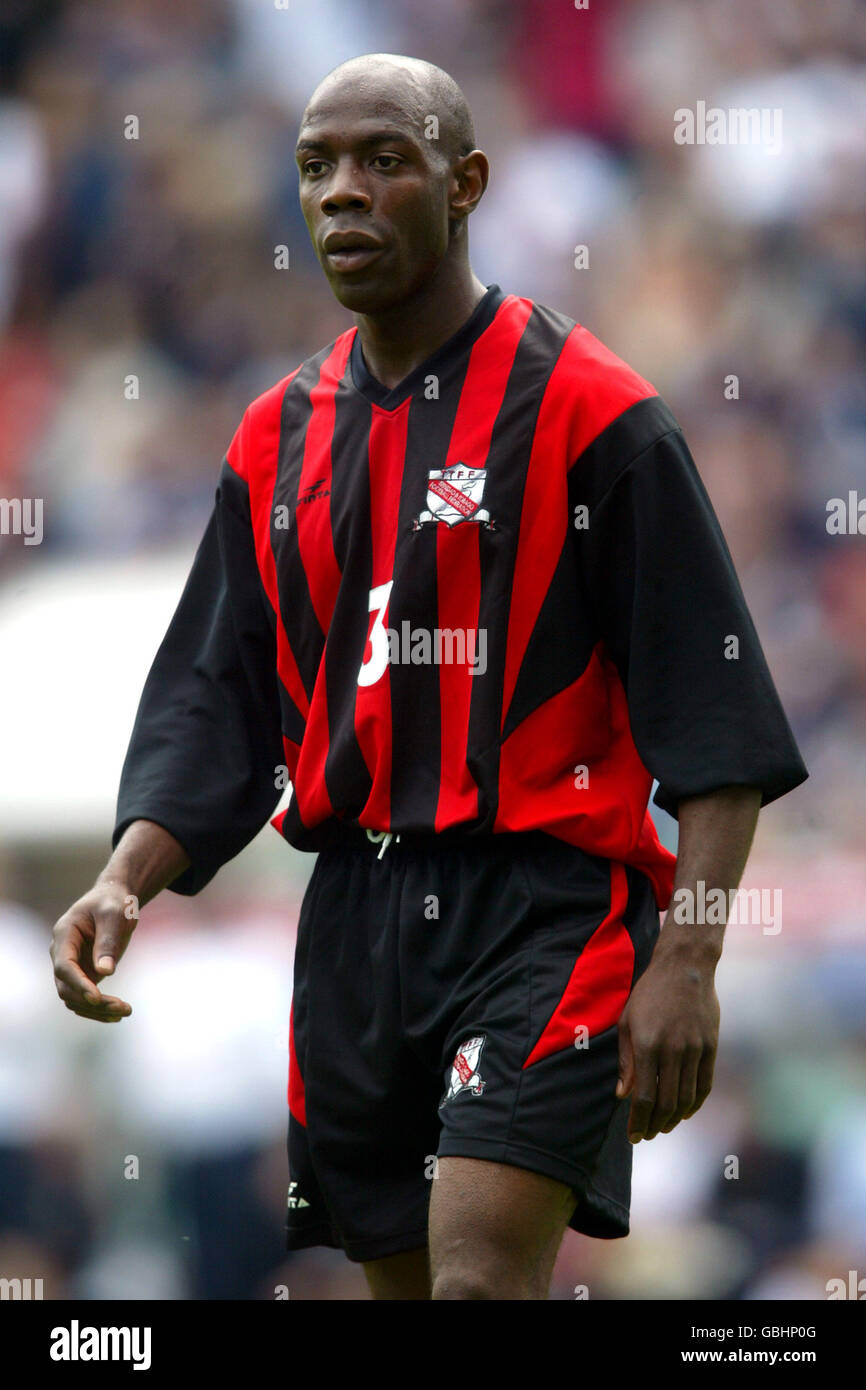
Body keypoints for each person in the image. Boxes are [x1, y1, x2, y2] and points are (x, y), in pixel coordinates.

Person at [50, 53, 808, 1301]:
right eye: (316, 167)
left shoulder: (592, 411)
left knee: (476, 1288)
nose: (342, 192)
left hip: (543, 908)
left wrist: (688, 961)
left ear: (466, 184)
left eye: (382, 160)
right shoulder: (270, 438)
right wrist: (126, 879)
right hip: (351, 920)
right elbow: (216, 696)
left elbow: (713, 712)